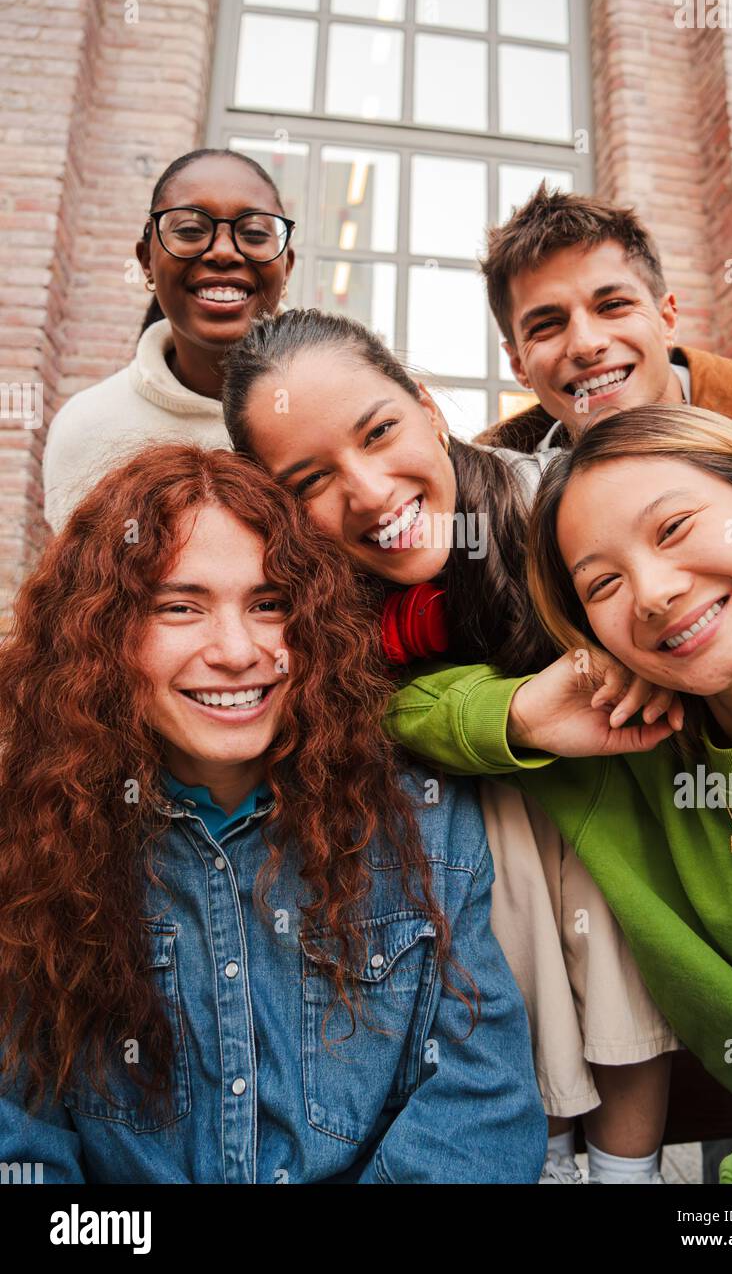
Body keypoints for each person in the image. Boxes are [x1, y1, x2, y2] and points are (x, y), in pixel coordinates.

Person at [0, 444, 547, 1184]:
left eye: (269, 605)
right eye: (180, 607)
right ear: (99, 633)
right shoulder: (32, 836)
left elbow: (482, 1108)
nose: (236, 651)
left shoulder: (421, 818)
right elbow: (20, 1143)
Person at [222, 308, 682, 1186]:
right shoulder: (308, 612)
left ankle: (624, 1170)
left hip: (643, 854)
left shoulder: (556, 507)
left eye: (379, 432)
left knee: (549, 811)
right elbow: (376, 715)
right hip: (463, 926)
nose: (368, 492)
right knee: (458, 807)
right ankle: (536, 1147)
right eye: (311, 479)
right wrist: (509, 717)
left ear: (428, 408)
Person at [386, 405, 732, 1120]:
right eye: (603, 584)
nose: (653, 594)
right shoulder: (628, 747)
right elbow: (388, 710)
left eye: (674, 528)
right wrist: (522, 713)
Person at [475, 184, 732, 548]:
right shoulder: (490, 501)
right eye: (546, 325)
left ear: (667, 319)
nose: (586, 345)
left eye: (613, 305)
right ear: (518, 364)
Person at [42, 148, 295, 533]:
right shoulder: (87, 427)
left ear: (286, 264)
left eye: (254, 233)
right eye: (191, 230)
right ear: (147, 260)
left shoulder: (336, 406)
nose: (223, 252)